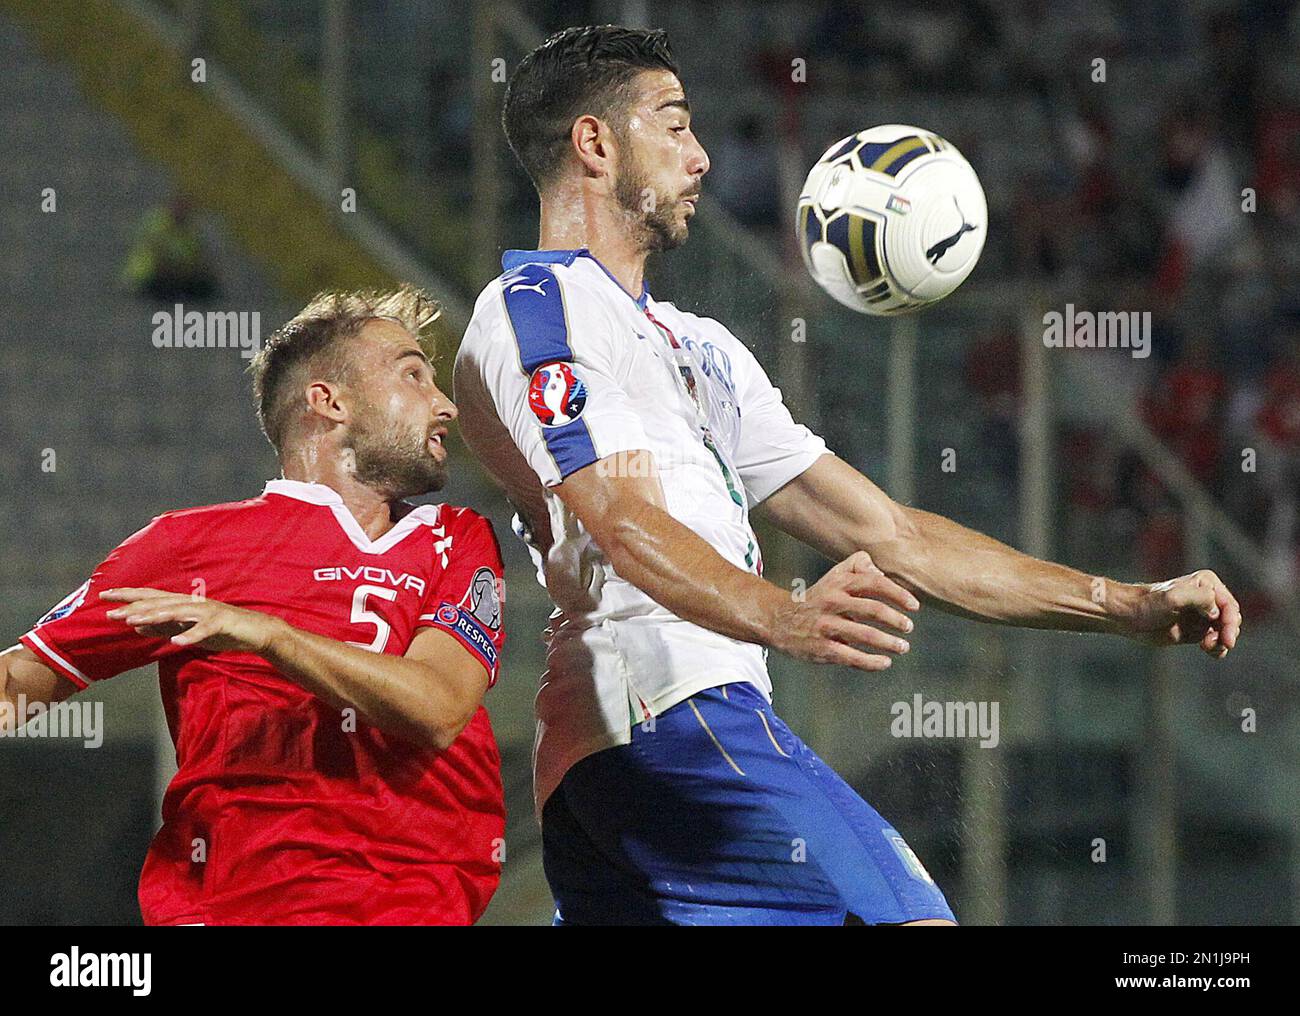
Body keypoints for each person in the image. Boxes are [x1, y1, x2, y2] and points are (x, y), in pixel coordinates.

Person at [453, 25, 1242, 926]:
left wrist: (1124, 605)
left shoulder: (700, 348)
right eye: (673, 125)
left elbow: (891, 534)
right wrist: (783, 614)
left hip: (630, 758)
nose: (702, 157)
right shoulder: (536, 308)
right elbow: (619, 523)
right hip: (667, 709)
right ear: (594, 143)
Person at [0, 287, 506, 925]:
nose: (445, 405)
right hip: (235, 908)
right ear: (330, 402)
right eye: (412, 374)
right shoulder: (185, 546)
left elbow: (438, 706)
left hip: (414, 910)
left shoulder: (455, 539)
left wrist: (269, 637)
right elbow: (19, 679)